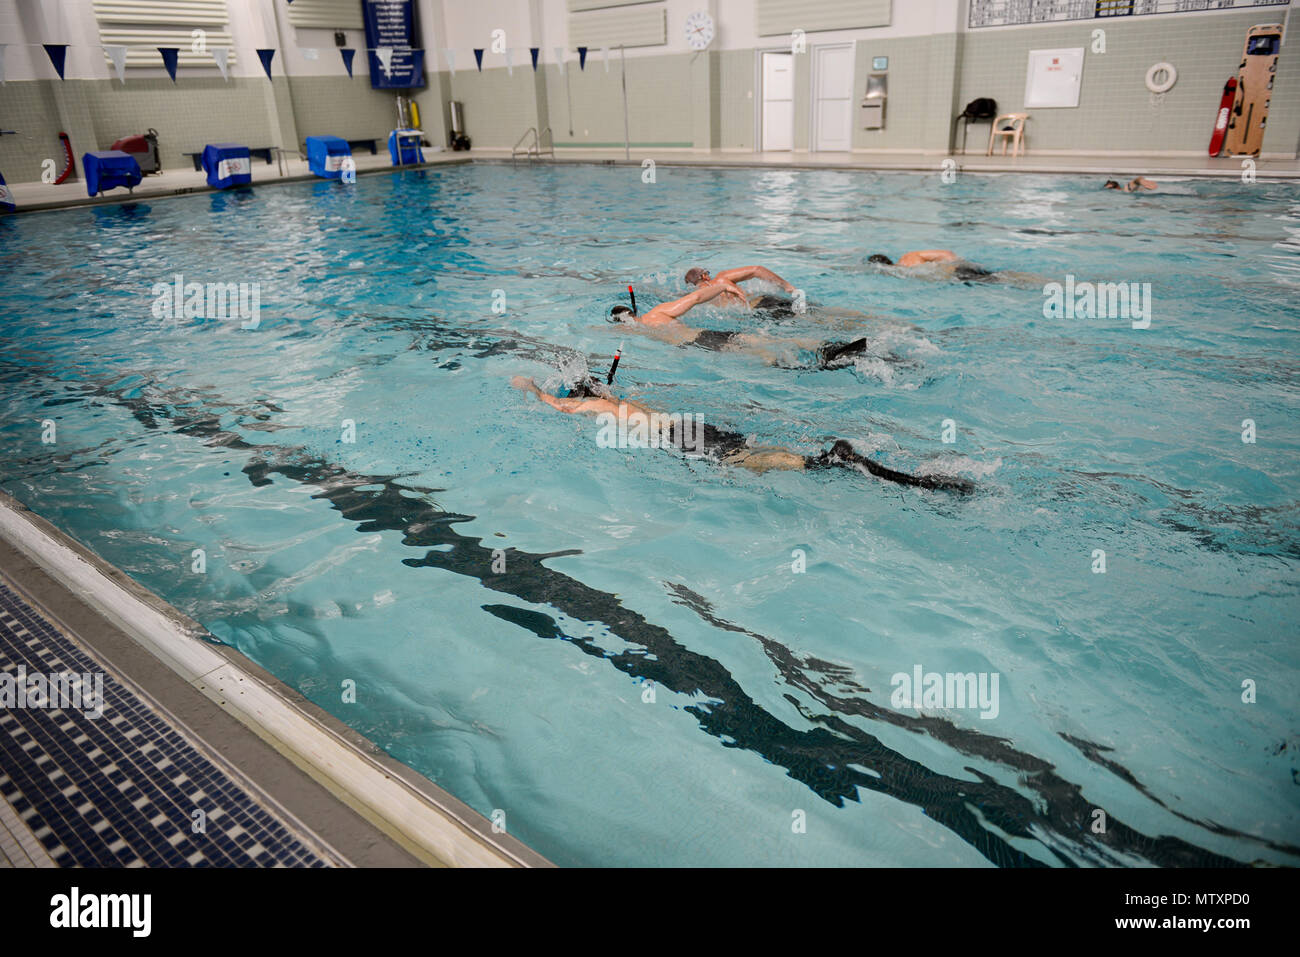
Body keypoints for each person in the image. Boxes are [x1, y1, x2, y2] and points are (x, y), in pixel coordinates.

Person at [509, 373, 974, 493]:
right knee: (752, 454)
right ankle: (824, 459)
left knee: (753, 465)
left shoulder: (592, 405)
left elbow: (556, 404)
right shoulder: (627, 402)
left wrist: (528, 385)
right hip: (691, 426)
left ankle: (830, 461)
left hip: (680, 441)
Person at [609, 285, 882, 370]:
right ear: (633, 312)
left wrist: (721, 286)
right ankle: (826, 349)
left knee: (765, 356)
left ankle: (816, 363)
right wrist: (722, 285)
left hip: (701, 344)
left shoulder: (641, 324)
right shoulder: (655, 314)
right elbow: (692, 298)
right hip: (708, 336)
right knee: (761, 343)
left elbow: (694, 298)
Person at [684, 265, 799, 314]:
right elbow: (757, 270)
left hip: (754, 315)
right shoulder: (721, 279)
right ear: (704, 276)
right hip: (763, 303)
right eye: (707, 273)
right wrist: (787, 286)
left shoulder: (697, 296)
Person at [866, 248, 997, 283]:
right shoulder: (903, 269)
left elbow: (947, 253)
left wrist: (956, 263)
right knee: (1002, 278)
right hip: (957, 273)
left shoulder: (908, 258)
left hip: (958, 271)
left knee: (1002, 279)